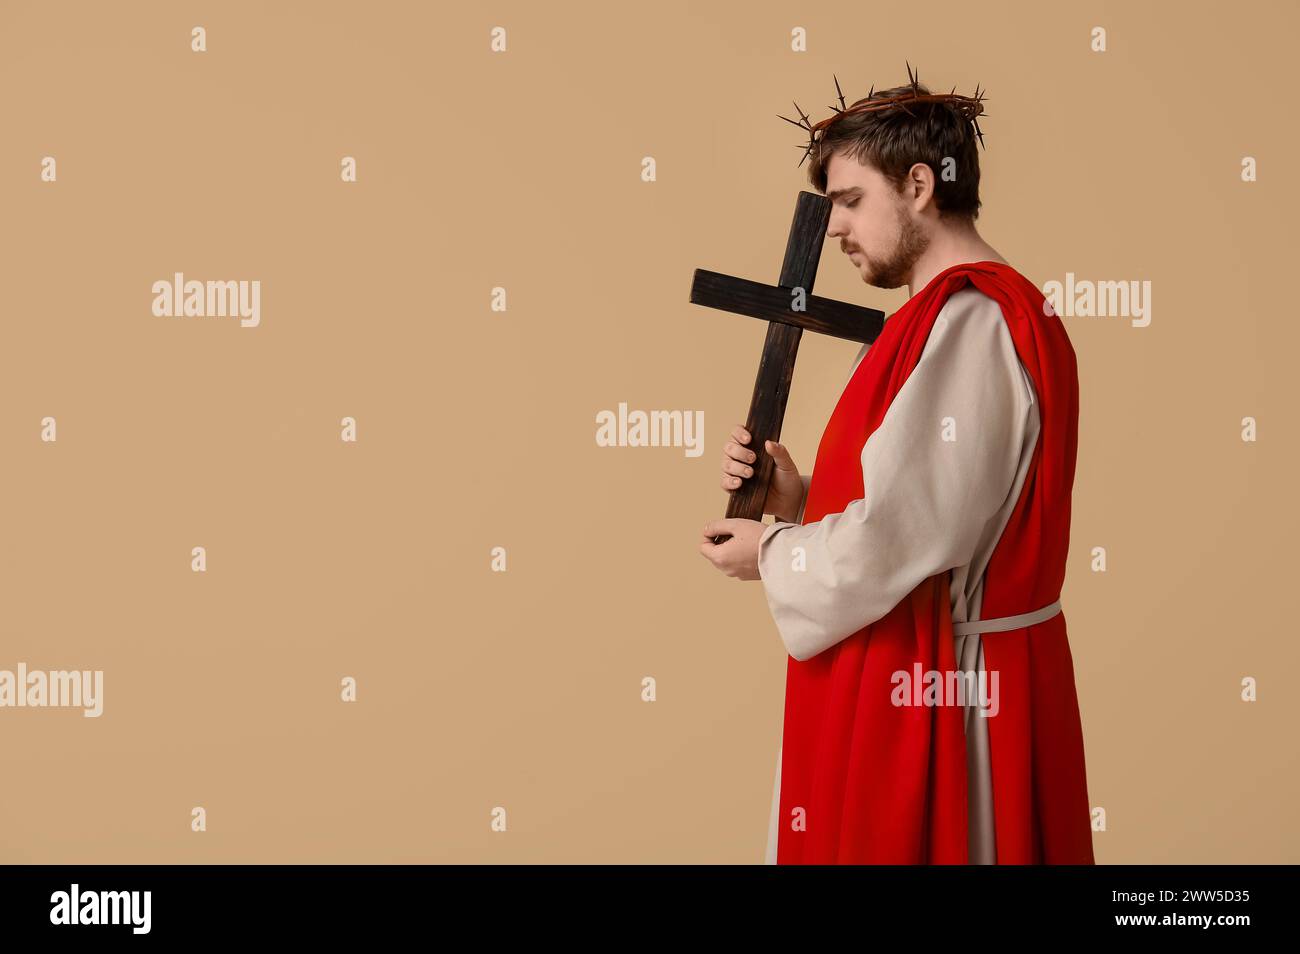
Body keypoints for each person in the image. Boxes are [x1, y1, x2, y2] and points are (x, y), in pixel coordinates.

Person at [697, 74, 1095, 864]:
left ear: (919, 186)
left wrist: (769, 555)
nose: (834, 226)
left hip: (948, 691)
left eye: (849, 199)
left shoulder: (972, 320)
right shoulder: (956, 316)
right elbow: (936, 507)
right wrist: (799, 499)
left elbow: (908, 533)